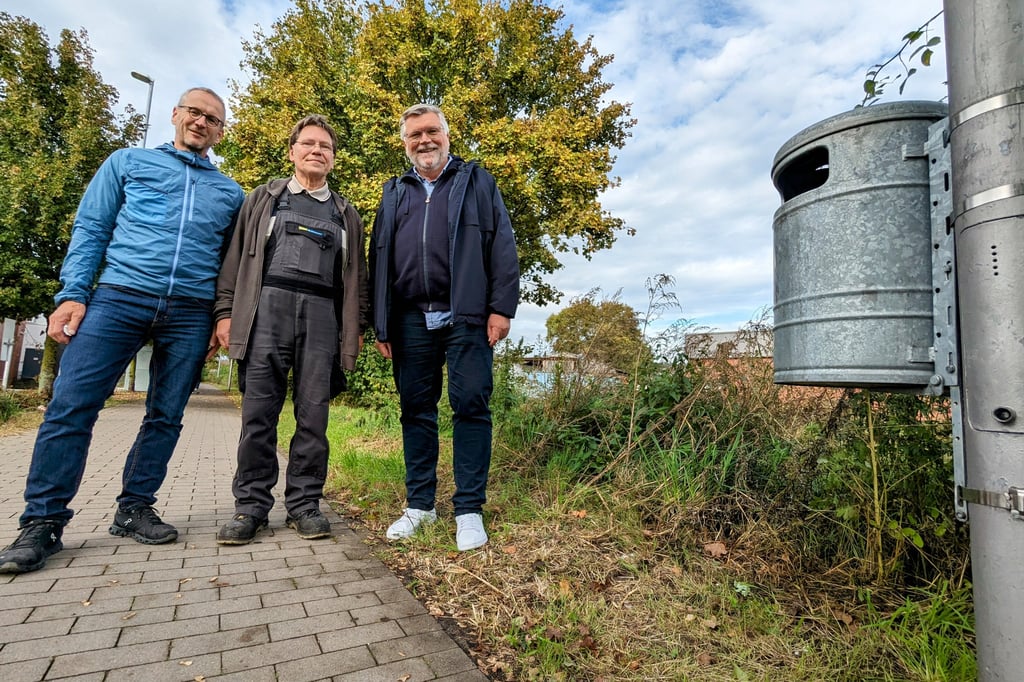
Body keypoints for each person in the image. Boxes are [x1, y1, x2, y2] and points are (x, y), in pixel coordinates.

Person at [0, 87, 244, 574]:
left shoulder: (231, 193)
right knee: (71, 406)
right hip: (119, 295)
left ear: (220, 132)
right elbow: (91, 227)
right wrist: (73, 294)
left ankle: (135, 508)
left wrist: (223, 315)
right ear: (175, 114)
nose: (201, 123)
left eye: (212, 119)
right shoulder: (128, 162)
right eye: (194, 112)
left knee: (167, 414)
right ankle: (42, 523)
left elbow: (230, 264)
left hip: (191, 310)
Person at [369, 103, 519, 551]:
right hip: (410, 317)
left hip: (467, 314)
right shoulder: (395, 191)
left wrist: (501, 308)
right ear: (405, 143)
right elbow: (378, 258)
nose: (424, 141)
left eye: (432, 131)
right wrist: (381, 325)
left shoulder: (475, 181)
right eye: (415, 135)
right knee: (416, 409)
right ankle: (420, 505)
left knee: (471, 405)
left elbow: (502, 245)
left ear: (447, 136)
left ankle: (469, 509)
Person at [213, 114, 368, 545]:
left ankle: (304, 505)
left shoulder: (346, 213)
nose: (317, 151)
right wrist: (225, 313)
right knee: (258, 415)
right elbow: (234, 262)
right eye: (310, 143)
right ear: (292, 151)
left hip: (322, 318)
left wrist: (353, 332)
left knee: (313, 416)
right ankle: (250, 507)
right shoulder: (263, 199)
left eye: (326, 147)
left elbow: (358, 281)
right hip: (266, 311)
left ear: (334, 159)